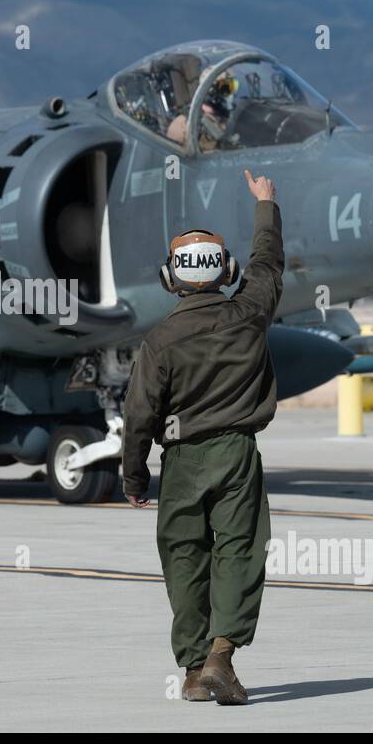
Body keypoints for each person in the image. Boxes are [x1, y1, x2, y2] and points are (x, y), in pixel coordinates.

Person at [121, 169, 283, 706]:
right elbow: (267, 266)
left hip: (182, 457)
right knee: (238, 550)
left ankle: (193, 669)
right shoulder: (249, 313)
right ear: (225, 271)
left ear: (172, 278)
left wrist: (134, 475)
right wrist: (265, 206)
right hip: (236, 453)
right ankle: (219, 657)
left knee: (184, 556)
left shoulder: (160, 340)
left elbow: (139, 412)